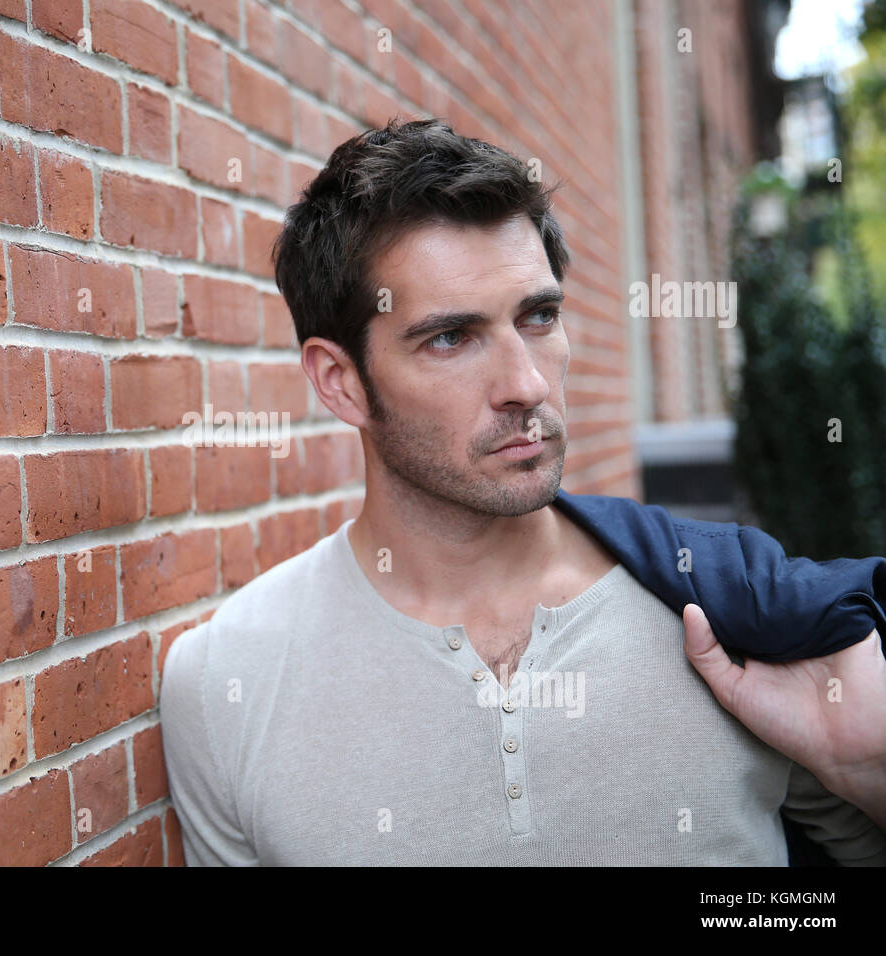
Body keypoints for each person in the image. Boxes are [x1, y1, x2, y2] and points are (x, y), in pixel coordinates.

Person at [158, 119, 886, 865]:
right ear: (341, 383)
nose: (527, 385)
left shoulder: (735, 615)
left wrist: (871, 773)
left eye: (539, 317)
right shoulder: (227, 683)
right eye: (451, 338)